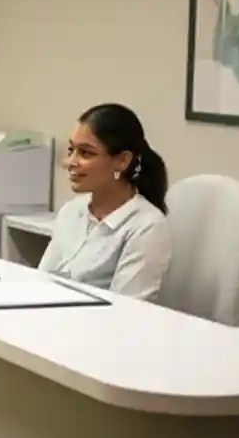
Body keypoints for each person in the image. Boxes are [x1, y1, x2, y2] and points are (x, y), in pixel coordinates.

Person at [37, 103, 172, 302]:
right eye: (71, 150)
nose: (70, 162)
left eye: (86, 153)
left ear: (122, 161)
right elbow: (41, 282)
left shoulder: (147, 226)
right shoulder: (71, 212)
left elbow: (126, 310)